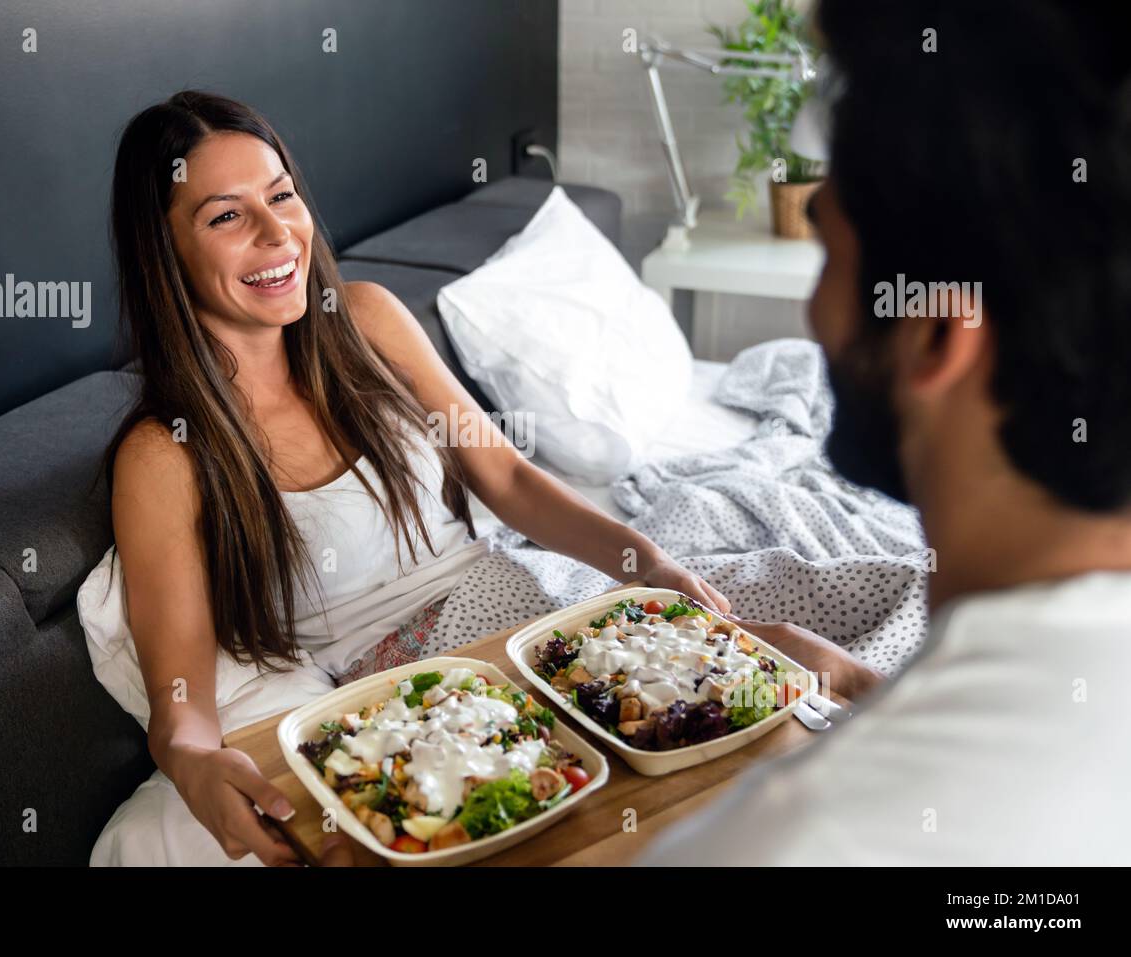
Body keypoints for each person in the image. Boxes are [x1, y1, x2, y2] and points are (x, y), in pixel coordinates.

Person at [79, 90, 730, 866]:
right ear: (166, 250)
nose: (277, 230)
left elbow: (509, 480)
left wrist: (642, 561)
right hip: (434, 679)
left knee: (797, 647)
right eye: (226, 216)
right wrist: (191, 764)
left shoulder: (370, 319)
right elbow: (179, 696)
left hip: (526, 592)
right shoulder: (166, 454)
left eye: (281, 195)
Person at [635, 0, 1131, 866]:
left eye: (828, 256)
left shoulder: (789, 842)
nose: (813, 313)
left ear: (936, 331)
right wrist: (871, 687)